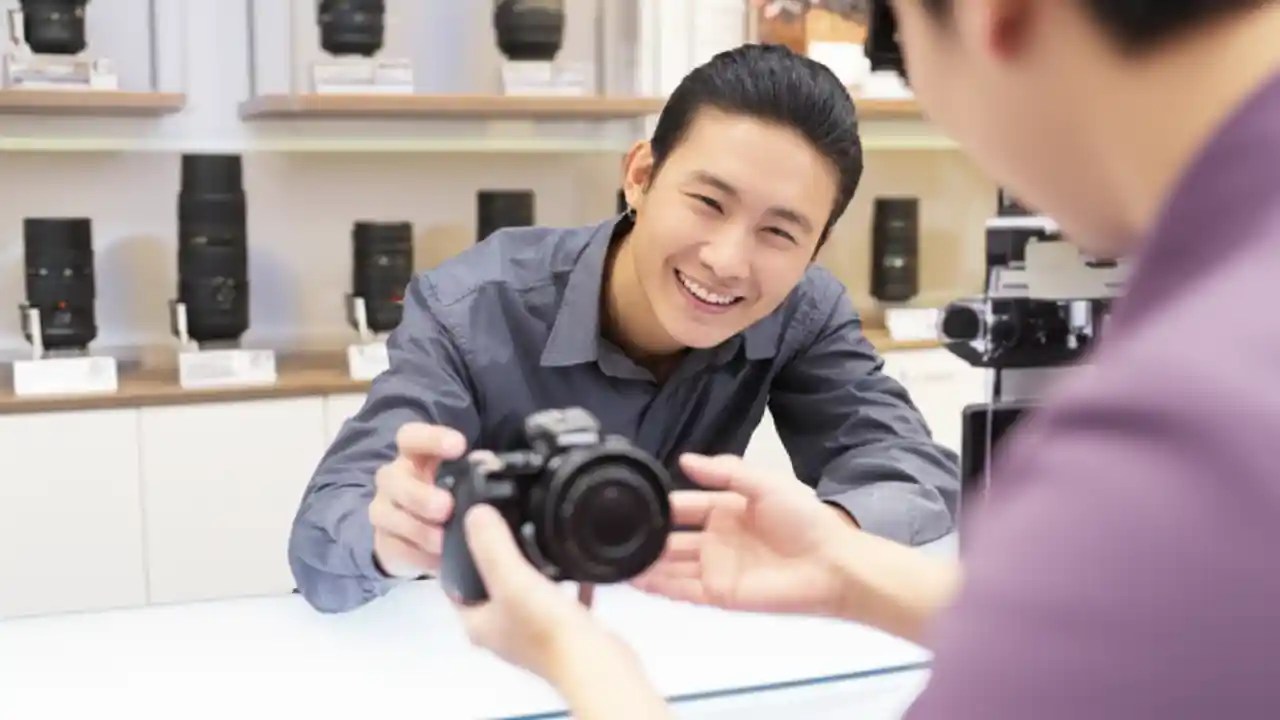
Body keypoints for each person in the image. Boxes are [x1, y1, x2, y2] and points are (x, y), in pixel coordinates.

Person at [449, 0, 1280, 717]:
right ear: (642, 177)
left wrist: (582, 664)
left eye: (899, 47)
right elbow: (1136, 649)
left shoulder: (1181, 437)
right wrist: (847, 572)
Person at [288, 43, 962, 613]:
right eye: (706, 202)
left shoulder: (802, 311)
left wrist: (826, 530)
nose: (727, 261)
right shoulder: (471, 307)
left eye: (780, 232)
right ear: (641, 176)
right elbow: (324, 539)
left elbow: (913, 472)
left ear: (817, 246)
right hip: (478, 650)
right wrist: (394, 536)